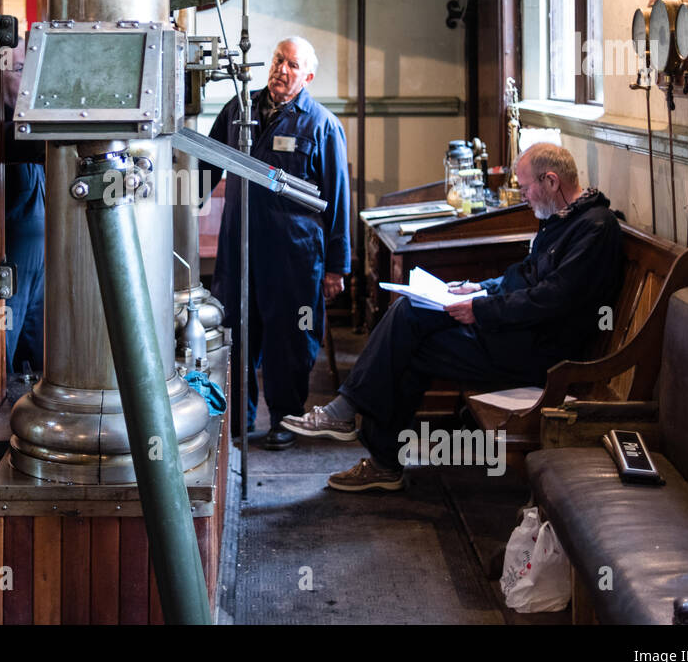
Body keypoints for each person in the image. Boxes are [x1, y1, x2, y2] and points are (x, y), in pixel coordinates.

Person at [281, 142, 623, 489]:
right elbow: (524, 275)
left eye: (525, 186)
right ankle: (365, 439)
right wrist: (478, 288)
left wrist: (479, 309)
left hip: (543, 355)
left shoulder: (594, 228)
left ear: (551, 181)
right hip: (516, 334)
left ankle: (362, 434)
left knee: (408, 338)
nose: (522, 195)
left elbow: (552, 300)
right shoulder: (560, 216)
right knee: (409, 323)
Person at [207, 37, 351, 449]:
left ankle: (285, 422)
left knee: (290, 342)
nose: (281, 70)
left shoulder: (321, 125)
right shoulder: (239, 109)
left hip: (295, 258)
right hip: (238, 253)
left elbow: (338, 198)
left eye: (292, 64)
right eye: (277, 60)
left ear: (306, 76)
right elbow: (205, 166)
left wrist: (337, 267)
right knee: (234, 337)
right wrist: (171, 208)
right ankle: (237, 423)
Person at [1, 39, 45, 378]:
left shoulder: (31, 121)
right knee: (1, 367)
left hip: (44, 274)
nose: (28, 81)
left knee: (43, 366)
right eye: (19, 70)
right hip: (10, 279)